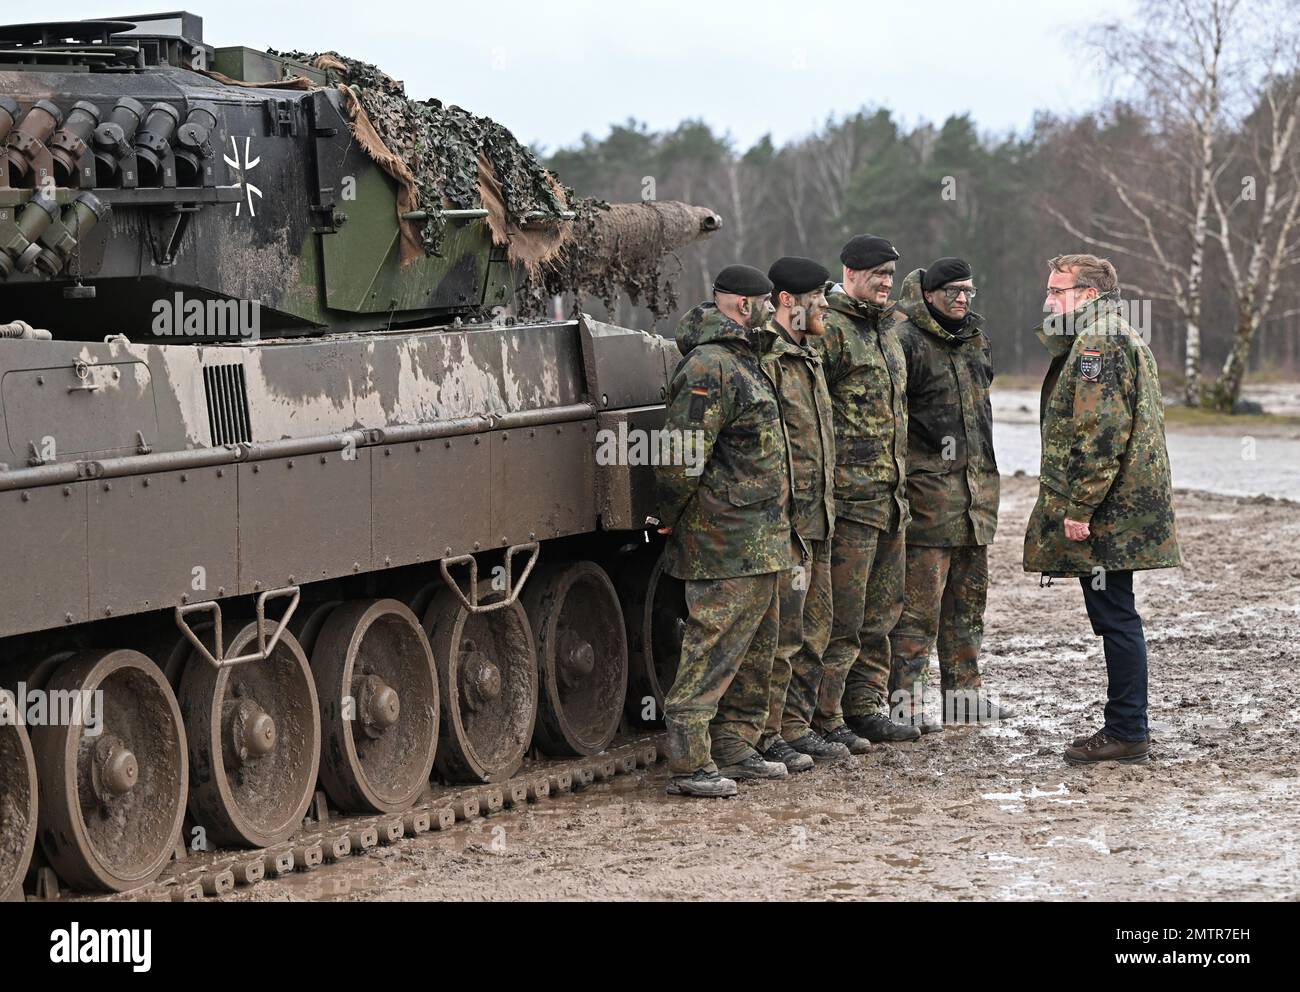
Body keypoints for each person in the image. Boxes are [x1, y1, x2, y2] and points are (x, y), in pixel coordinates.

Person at [1025, 253, 1181, 765]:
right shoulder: (1113, 332)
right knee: (1116, 614)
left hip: (1110, 512)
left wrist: (1080, 508)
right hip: (1121, 506)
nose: (1048, 300)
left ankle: (1127, 730)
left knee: (1115, 617)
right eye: (1048, 291)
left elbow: (1100, 434)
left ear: (1088, 294)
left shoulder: (1099, 340)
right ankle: (1127, 724)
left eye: (1058, 291)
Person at [657, 264, 796, 796]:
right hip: (723, 539)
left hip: (761, 539)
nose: (776, 312)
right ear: (744, 305)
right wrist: (669, 514)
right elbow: (679, 456)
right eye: (767, 302)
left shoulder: (748, 360)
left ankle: (734, 746)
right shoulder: (710, 366)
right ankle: (690, 762)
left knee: (756, 649)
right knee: (711, 649)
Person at [888, 258, 1012, 731]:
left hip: (975, 502)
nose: (961, 298)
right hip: (927, 502)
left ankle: (965, 697)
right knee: (917, 613)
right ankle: (907, 705)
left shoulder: (976, 340)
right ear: (928, 294)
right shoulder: (906, 341)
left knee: (967, 609)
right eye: (951, 290)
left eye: (967, 289)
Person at [814, 235, 919, 747]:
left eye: (890, 274)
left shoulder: (888, 333)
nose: (885, 282)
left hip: (890, 501)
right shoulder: (831, 329)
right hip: (849, 502)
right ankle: (825, 715)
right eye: (876, 273)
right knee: (843, 618)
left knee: (882, 614)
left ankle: (864, 706)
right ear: (849, 273)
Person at [746, 255, 848, 770]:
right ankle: (764, 735)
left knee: (816, 629)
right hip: (784, 525)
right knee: (781, 637)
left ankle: (795, 727)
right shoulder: (766, 358)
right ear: (788, 301)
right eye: (817, 298)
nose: (826, 306)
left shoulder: (808, 356)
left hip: (817, 519)